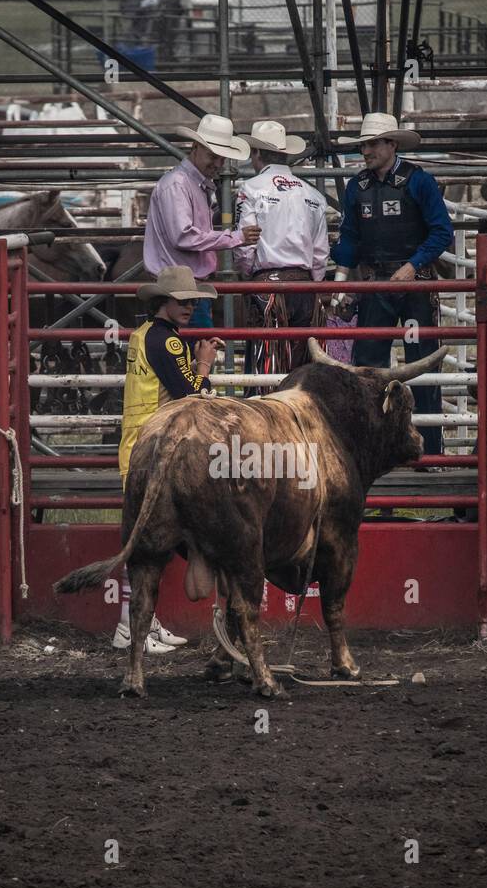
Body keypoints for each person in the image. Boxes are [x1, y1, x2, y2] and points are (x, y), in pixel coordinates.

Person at [331, 111, 454, 457]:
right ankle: (372, 452)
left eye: (371, 144)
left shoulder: (418, 181)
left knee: (422, 363)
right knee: (368, 367)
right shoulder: (358, 187)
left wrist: (414, 265)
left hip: (412, 286)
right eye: (363, 145)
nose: (365, 151)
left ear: (391, 144)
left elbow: (443, 231)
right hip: (376, 285)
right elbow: (350, 239)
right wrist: (340, 282)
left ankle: (428, 454)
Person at [114, 266, 221, 655]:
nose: (190, 307)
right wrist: (205, 364)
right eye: (183, 301)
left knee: (146, 534)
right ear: (164, 302)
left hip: (138, 442)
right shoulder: (171, 343)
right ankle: (131, 625)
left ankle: (139, 621)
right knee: (147, 538)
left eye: (193, 301)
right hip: (154, 447)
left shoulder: (142, 336)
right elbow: (192, 396)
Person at [142, 113, 260, 329]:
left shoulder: (190, 184)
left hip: (183, 286)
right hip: (180, 289)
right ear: (195, 147)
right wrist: (235, 237)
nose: (218, 163)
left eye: (222, 158)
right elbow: (183, 236)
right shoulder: (178, 185)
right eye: (212, 156)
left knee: (191, 351)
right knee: (196, 350)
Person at [233, 119, 329, 371]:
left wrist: (247, 272)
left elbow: (245, 244)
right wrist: (313, 282)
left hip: (267, 288)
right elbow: (320, 254)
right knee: (301, 364)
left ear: (256, 154)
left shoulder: (250, 189)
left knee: (265, 365)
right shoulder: (313, 195)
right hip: (305, 286)